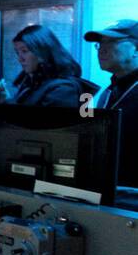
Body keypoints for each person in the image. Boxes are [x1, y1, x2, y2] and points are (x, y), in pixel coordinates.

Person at [84, 19, 138, 190]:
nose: (102, 49)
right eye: (100, 44)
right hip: (113, 191)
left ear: (136, 50)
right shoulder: (107, 93)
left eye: (112, 42)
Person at [9, 24, 96, 107]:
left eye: (24, 51)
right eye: (17, 53)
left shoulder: (63, 89)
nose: (20, 59)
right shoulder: (33, 82)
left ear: (42, 52)